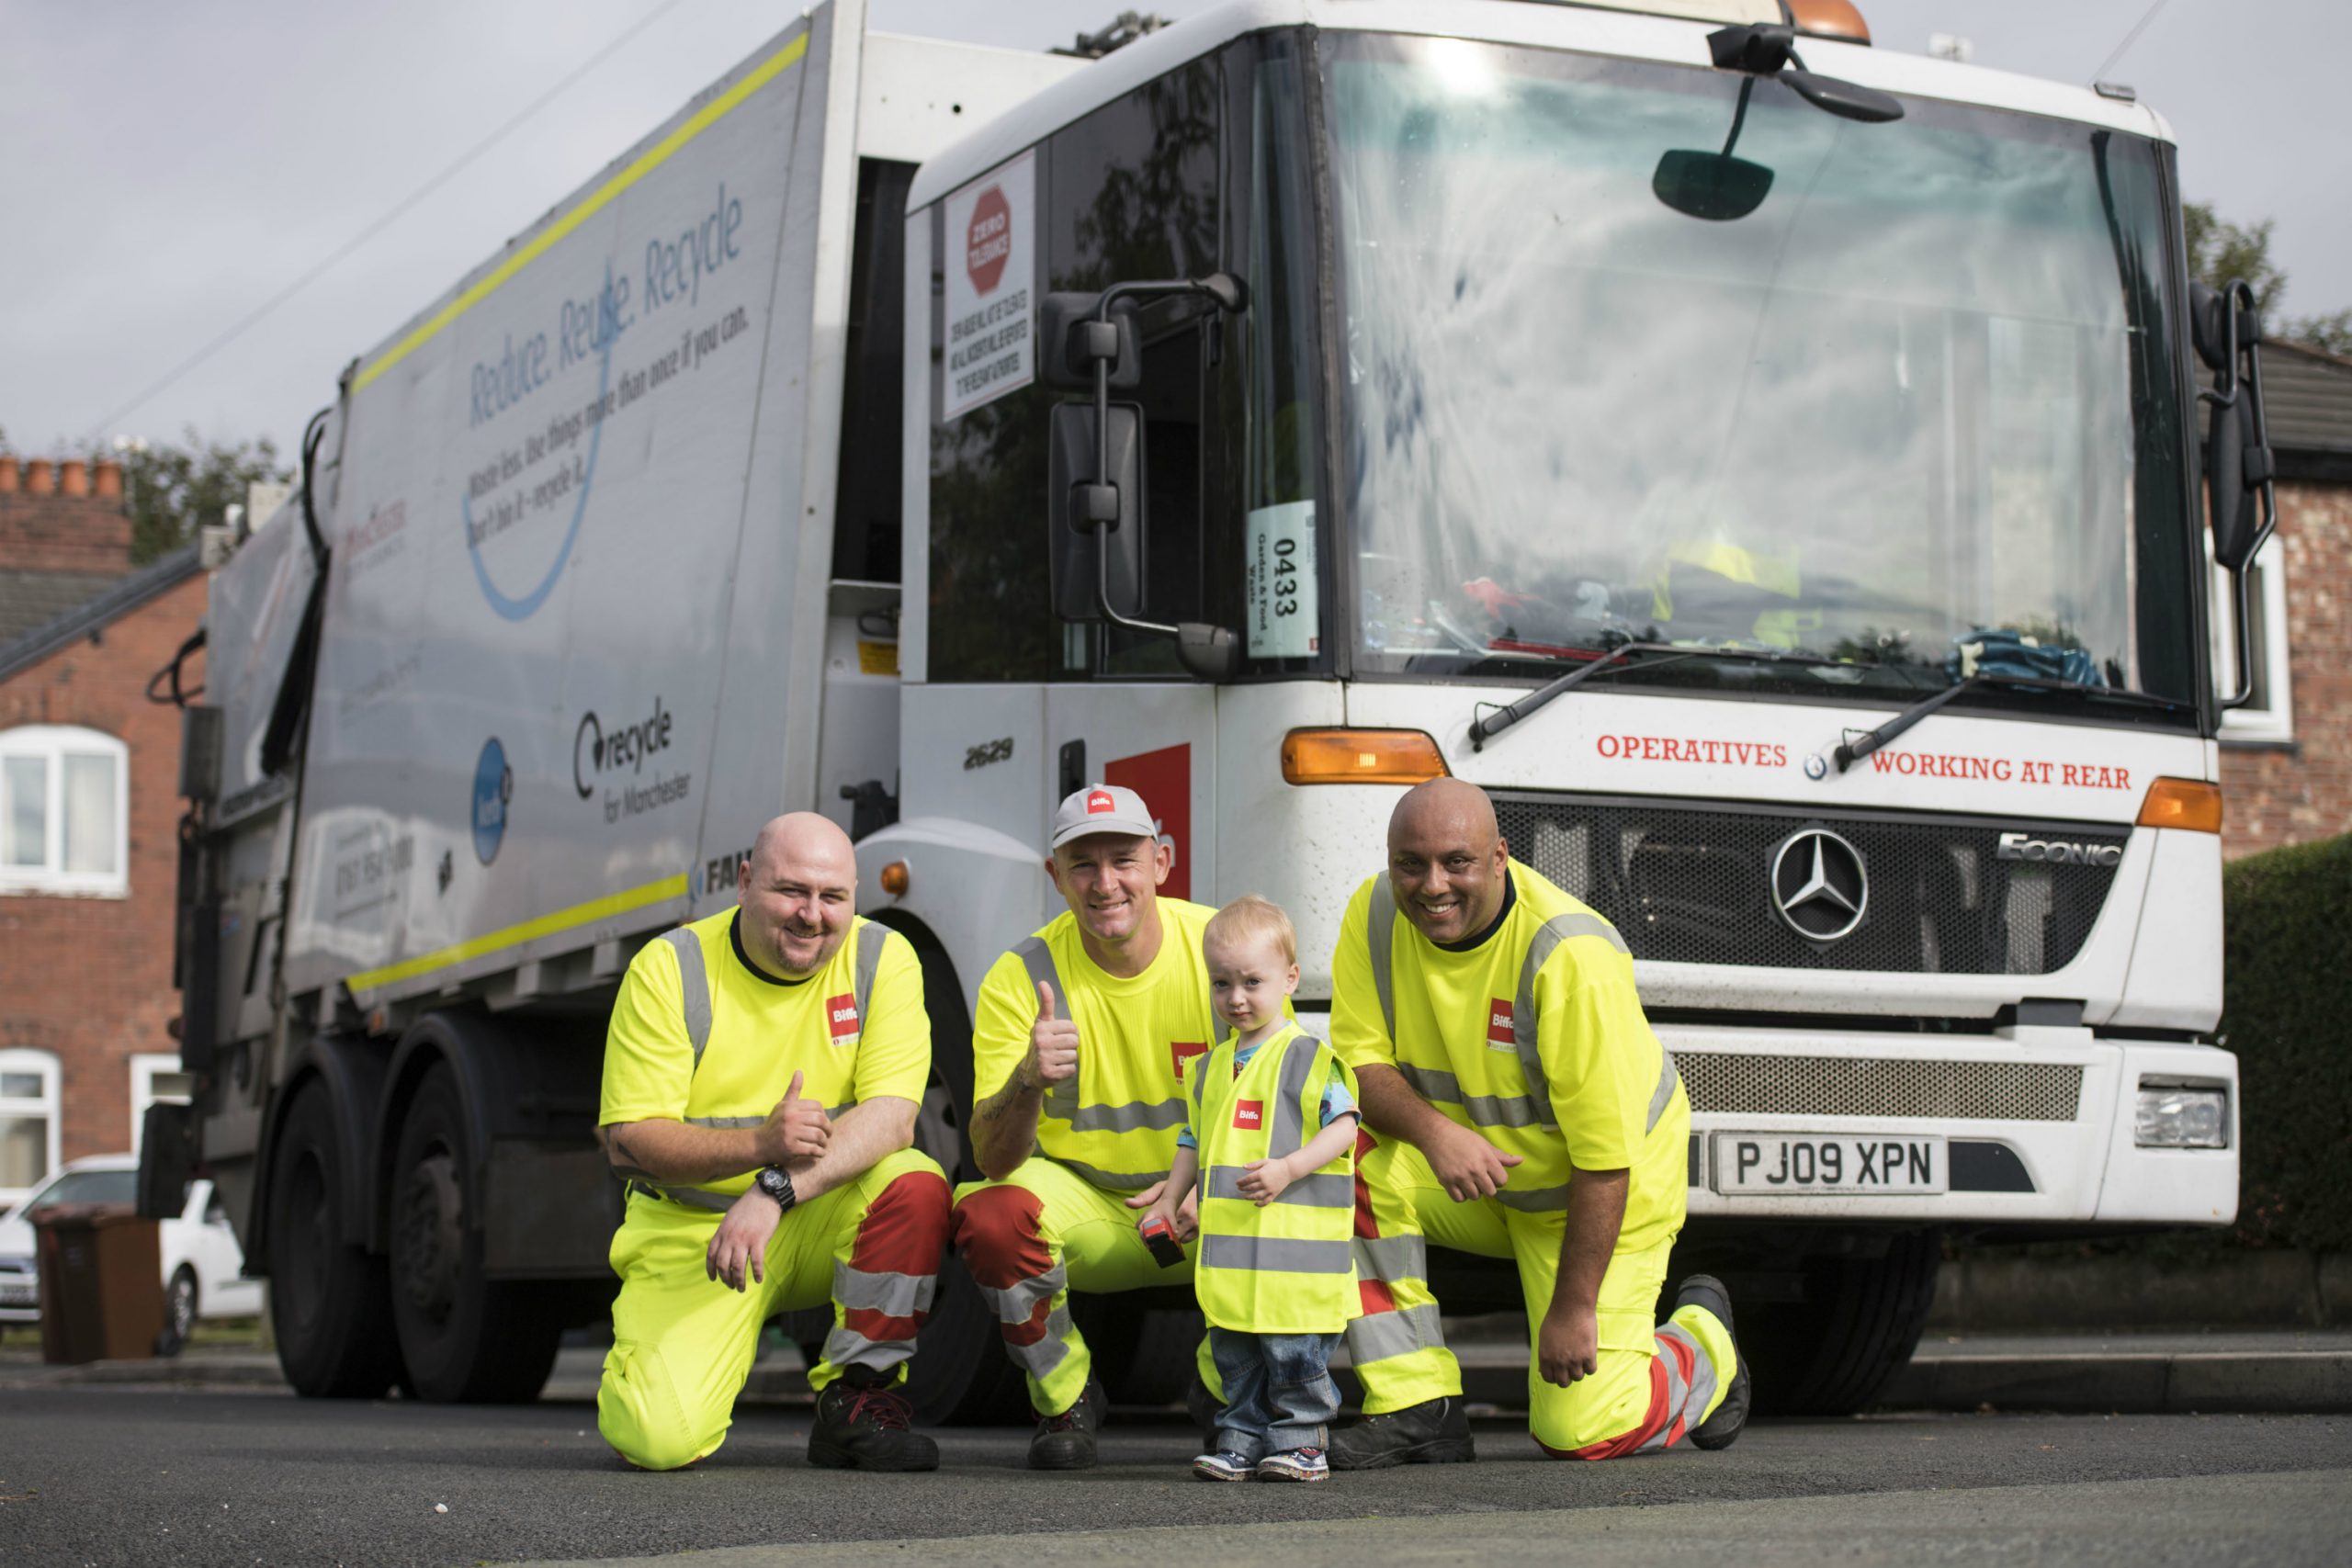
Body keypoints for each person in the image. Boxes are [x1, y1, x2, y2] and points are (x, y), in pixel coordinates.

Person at [1326, 778, 1748, 1464]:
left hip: (1604, 1196)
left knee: (1582, 1430)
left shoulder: (1568, 955)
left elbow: (1606, 1159)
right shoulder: (1374, 914)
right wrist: (1435, 1133)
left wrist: (1573, 1309)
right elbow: (1358, 1066)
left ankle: (1703, 1345)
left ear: (1500, 857)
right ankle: (1414, 1404)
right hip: (1485, 1173)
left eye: (1456, 861)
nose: (1432, 885)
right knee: (1333, 1153)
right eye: (1411, 863)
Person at [595, 812, 951, 1472]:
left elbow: (893, 1117)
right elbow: (630, 1140)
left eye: (832, 896)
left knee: (914, 1179)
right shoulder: (669, 969)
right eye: (791, 890)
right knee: (656, 1438)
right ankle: (648, 1355)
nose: (811, 914)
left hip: (811, 1211)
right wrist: (762, 1143)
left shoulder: (881, 956)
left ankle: (856, 1400)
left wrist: (775, 1187)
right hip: (695, 1233)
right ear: (744, 882)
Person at [948, 783, 1228, 1469]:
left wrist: (1210, 1182)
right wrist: (1027, 1079)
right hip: (1091, 1205)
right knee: (987, 1214)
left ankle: (1230, 1388)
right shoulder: (1021, 976)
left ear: (1162, 862)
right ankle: (1066, 1397)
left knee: (1326, 1180)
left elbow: (1287, 1101)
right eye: (1083, 864)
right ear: (1055, 877)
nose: (1106, 883)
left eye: (1124, 859)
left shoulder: (1221, 947)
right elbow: (990, 1157)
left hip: (1212, 1202)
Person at [1147, 896, 1361, 1483]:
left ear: (1291, 978)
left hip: (1296, 1262)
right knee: (1238, 1358)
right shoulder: (1213, 1066)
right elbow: (1193, 1138)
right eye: (1222, 983)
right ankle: (1241, 1438)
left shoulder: (1308, 1058)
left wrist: (1290, 1168)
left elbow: (1345, 1126)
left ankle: (1303, 1442)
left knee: (1294, 1358)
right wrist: (1170, 1196)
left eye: (1252, 982)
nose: (1235, 998)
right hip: (1235, 1260)